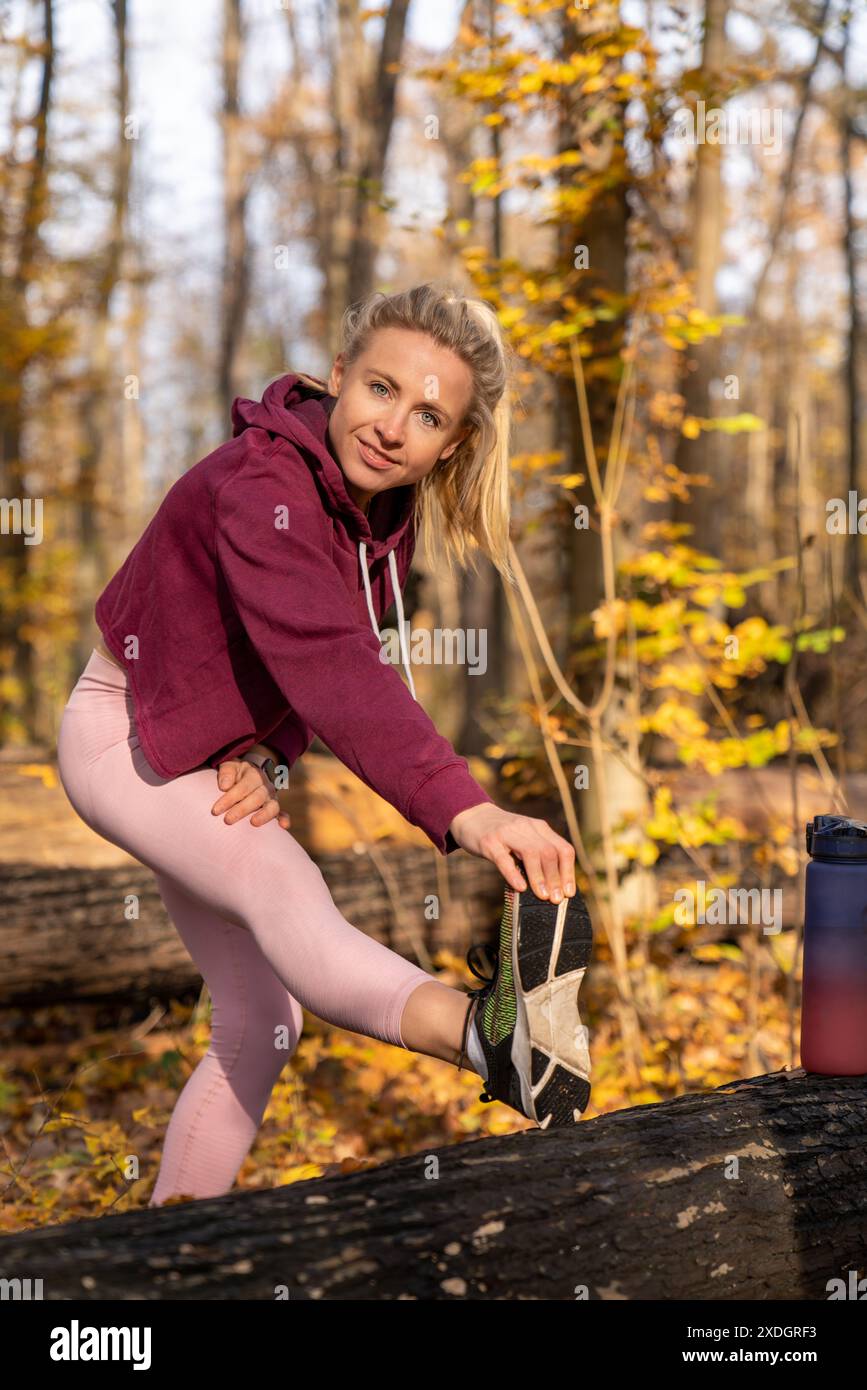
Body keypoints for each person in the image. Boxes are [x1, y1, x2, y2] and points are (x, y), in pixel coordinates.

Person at [56, 282, 593, 1207]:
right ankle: (488, 1037)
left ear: (451, 444)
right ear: (337, 375)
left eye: (426, 415)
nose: (392, 427)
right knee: (279, 881)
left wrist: (266, 757)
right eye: (380, 389)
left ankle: (165, 1253)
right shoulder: (261, 484)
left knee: (263, 1022)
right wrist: (466, 809)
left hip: (185, 749)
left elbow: (295, 670)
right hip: (120, 736)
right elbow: (327, 660)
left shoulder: (380, 517)